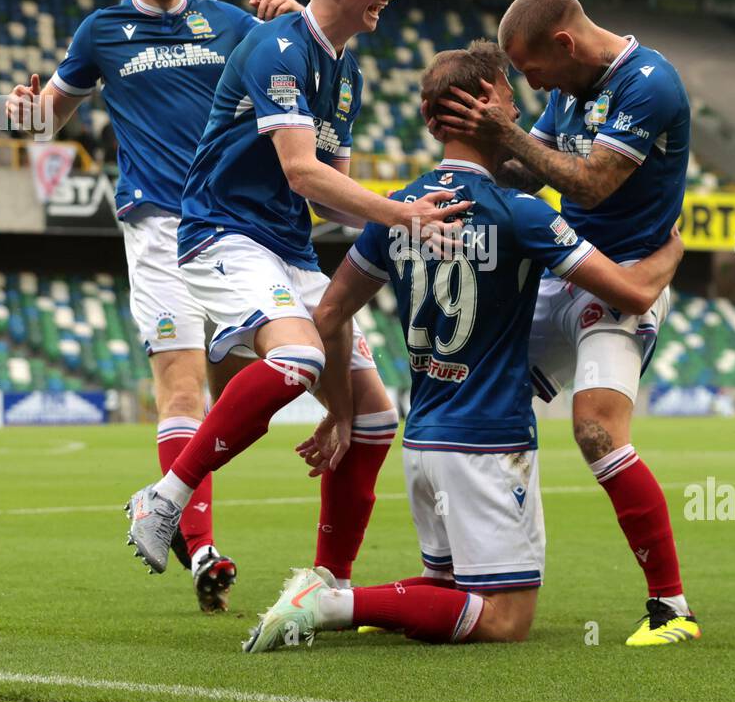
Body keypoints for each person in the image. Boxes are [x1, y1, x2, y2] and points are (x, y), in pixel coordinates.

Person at [243, 41, 685, 651]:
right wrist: (672, 251)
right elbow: (632, 294)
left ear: (428, 120)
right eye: (508, 92)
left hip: (422, 441)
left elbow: (330, 311)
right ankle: (329, 600)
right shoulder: (522, 214)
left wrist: (339, 410)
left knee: (448, 588)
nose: (519, 106)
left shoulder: (397, 210)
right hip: (485, 444)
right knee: (506, 619)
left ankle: (346, 598)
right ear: (486, 105)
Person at [124, 0, 464, 588]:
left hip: (288, 248)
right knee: (301, 355)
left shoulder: (348, 75)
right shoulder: (277, 48)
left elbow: (328, 198)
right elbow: (301, 172)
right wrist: (403, 214)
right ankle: (163, 497)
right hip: (222, 233)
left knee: (369, 417)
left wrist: (395, 220)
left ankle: (326, 584)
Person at [6, 0, 302, 612]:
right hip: (157, 229)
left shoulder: (231, 24)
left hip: (234, 226)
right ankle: (198, 545)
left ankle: (333, 500)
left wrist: (295, 19)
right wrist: (22, 117)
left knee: (284, 368)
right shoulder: (102, 32)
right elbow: (47, 117)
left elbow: (306, 69)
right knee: (181, 389)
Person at [430, 0, 698, 646]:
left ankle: (672, 610)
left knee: (596, 432)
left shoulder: (650, 84)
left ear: (565, 44)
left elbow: (591, 182)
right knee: (460, 389)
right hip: (565, 266)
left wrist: (506, 129)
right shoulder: (569, 88)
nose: (529, 83)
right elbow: (529, 173)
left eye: (531, 70)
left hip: (621, 278)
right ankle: (446, 582)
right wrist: (463, 168)